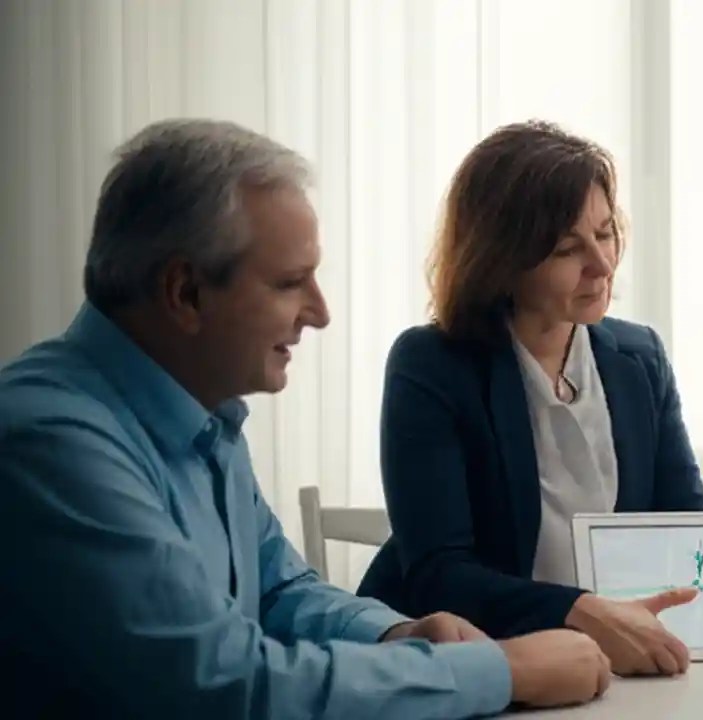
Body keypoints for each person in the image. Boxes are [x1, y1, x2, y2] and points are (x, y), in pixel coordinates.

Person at [0, 119, 612, 718]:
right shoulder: (50, 442)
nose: (318, 313)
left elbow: (279, 590)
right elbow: (228, 686)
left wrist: (392, 633)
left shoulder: (203, 418)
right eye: (292, 283)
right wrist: (505, 671)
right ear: (184, 292)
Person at [357, 120, 703, 675]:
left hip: (608, 670)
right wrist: (581, 612)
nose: (603, 263)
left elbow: (687, 525)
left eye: (606, 231)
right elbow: (439, 574)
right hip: (471, 667)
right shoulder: (433, 364)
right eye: (569, 248)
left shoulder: (638, 358)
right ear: (502, 260)